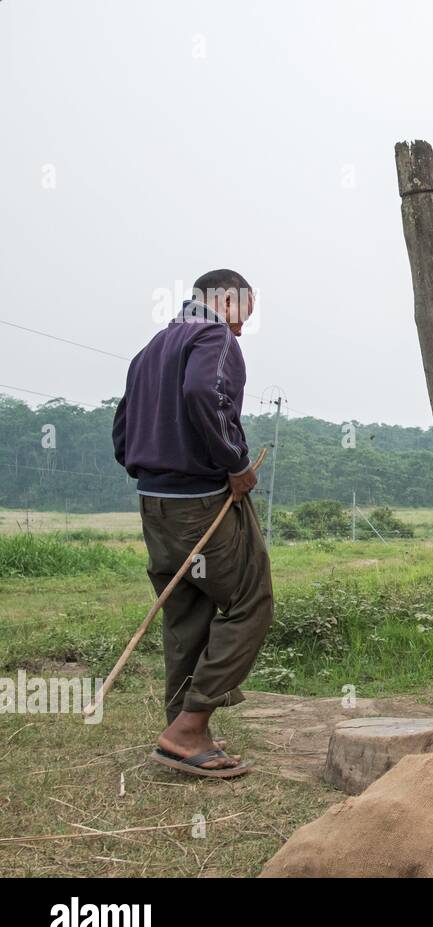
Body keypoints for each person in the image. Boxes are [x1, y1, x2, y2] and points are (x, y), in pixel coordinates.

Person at [112, 269, 271, 778]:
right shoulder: (213, 336)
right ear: (229, 301)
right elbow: (206, 393)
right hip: (199, 503)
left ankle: (182, 733)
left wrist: (150, 463)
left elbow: (122, 428)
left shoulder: (151, 348)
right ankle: (189, 727)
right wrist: (234, 462)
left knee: (187, 613)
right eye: (245, 315)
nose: (243, 330)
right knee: (250, 601)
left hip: (153, 504)